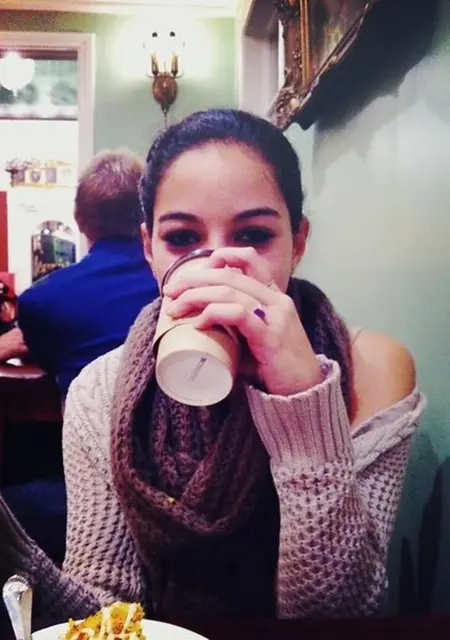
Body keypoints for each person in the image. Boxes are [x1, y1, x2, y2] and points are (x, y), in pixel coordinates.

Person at [0, 109, 426, 620]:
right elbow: (109, 614)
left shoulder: (370, 368)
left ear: (298, 242)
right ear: (149, 249)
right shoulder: (102, 389)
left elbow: (341, 616)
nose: (219, 265)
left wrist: (302, 399)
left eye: (253, 236)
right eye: (182, 238)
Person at [16, 148, 159, 398]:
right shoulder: (178, 284)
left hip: (90, 421)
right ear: (149, 216)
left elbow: (47, 360)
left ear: (78, 220)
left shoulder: (40, 301)